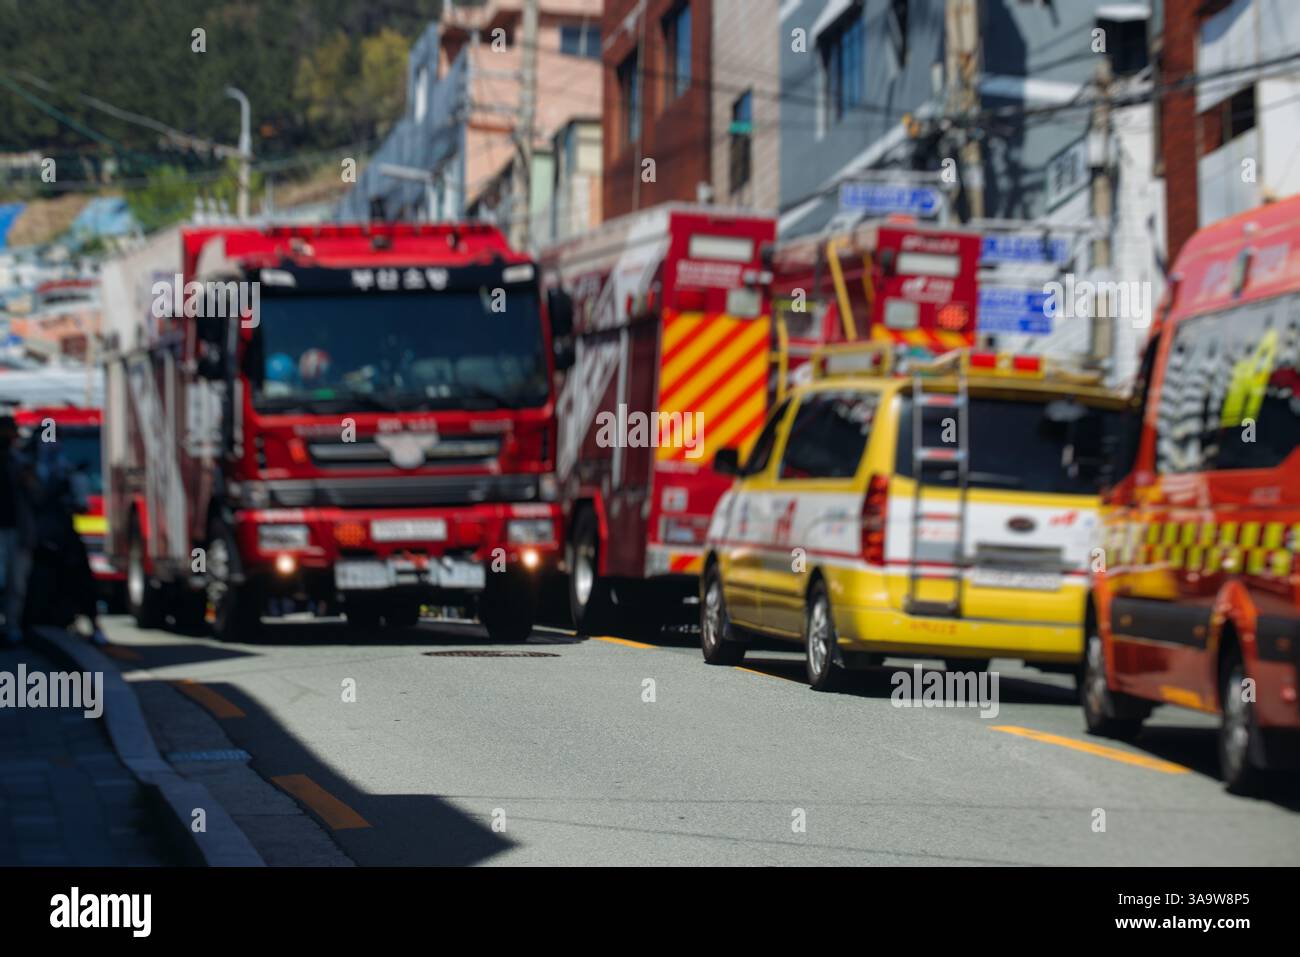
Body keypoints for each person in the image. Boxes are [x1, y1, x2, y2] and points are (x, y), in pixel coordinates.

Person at [24, 430, 107, 645]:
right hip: (34, 536)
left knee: (81, 579)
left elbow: (82, 505)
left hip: (63, 535)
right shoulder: (27, 467)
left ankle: (94, 624)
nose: (50, 446)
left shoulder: (67, 470)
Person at [0, 414, 34, 643]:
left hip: (17, 530)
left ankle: (12, 627)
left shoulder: (19, 461)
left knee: (16, 584)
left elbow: (36, 492)